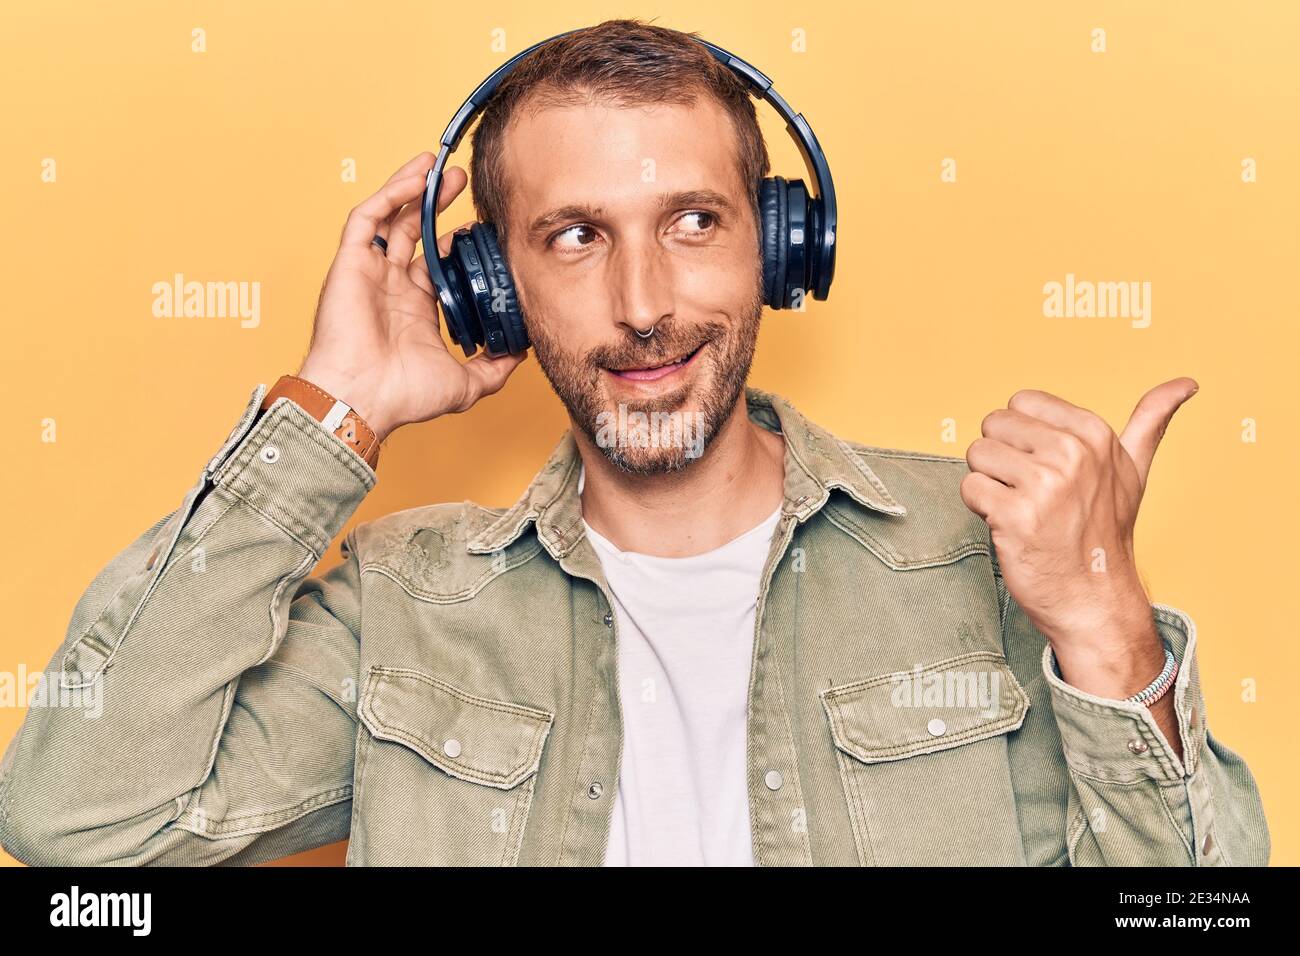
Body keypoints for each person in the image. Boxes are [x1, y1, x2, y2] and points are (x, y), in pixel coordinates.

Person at [0, 19, 1268, 867]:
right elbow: (75, 817)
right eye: (574, 236)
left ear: (783, 246)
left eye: (696, 221)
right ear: (486, 288)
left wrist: (1107, 628)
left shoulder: (994, 556)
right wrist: (334, 408)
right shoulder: (403, 605)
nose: (644, 300)